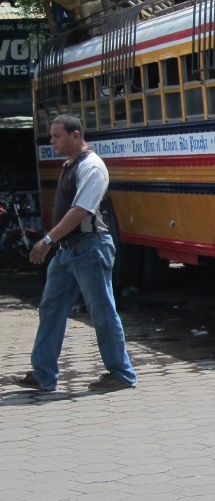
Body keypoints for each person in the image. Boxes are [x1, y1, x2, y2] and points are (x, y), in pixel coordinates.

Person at [5, 115, 136, 393]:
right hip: (68, 252)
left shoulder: (92, 167)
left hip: (90, 248)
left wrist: (48, 240)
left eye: (57, 136)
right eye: (51, 136)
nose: (52, 142)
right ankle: (43, 374)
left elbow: (80, 212)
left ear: (75, 135)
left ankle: (122, 373)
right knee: (50, 309)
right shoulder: (70, 165)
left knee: (102, 312)